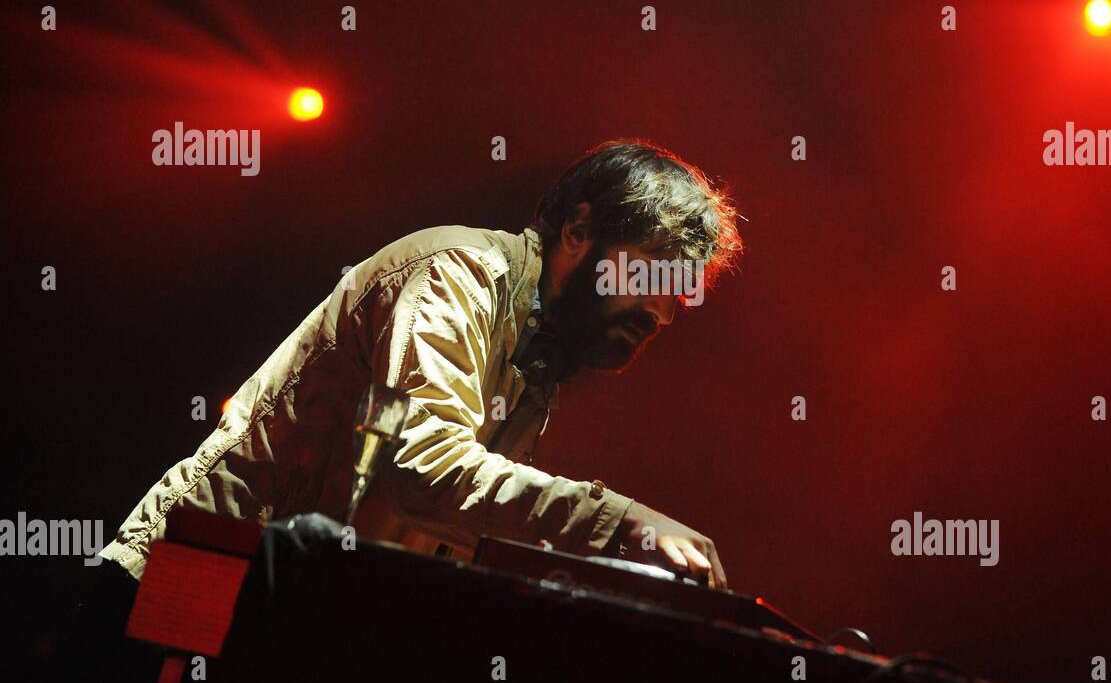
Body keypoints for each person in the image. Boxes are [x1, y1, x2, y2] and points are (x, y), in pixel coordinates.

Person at [97, 138, 743, 596]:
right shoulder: (454, 274)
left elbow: (441, 526)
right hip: (178, 584)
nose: (662, 310)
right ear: (579, 228)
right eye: (652, 269)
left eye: (679, 289)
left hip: (265, 608)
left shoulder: (537, 355)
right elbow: (424, 470)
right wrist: (622, 519)